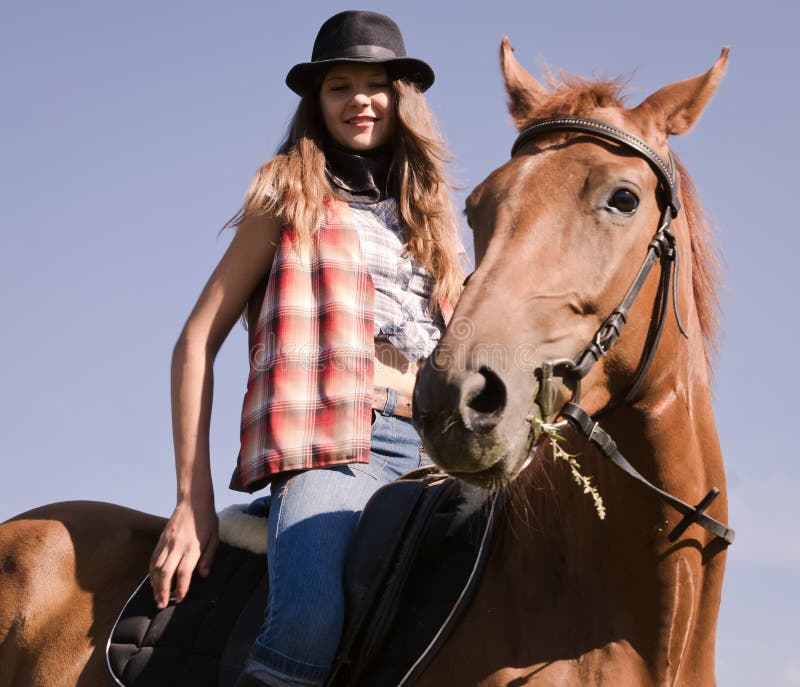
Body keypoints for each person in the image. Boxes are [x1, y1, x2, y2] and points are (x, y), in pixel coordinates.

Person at [148, 10, 464, 687]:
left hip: (435, 457)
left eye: (375, 84)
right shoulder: (287, 196)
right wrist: (189, 498)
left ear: (401, 96)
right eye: (339, 86)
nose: (359, 100)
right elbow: (194, 341)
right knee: (310, 617)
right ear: (316, 103)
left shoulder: (435, 218)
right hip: (334, 448)